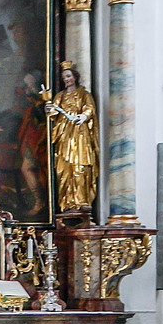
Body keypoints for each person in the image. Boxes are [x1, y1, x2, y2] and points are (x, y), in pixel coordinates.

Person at [43, 62, 99, 214]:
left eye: (68, 76)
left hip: (80, 134)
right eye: (64, 77)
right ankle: (67, 202)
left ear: (75, 77)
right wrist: (48, 109)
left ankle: (81, 201)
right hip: (64, 135)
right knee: (64, 169)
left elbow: (90, 109)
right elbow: (53, 113)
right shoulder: (60, 96)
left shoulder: (84, 95)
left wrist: (84, 116)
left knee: (80, 167)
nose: (66, 79)